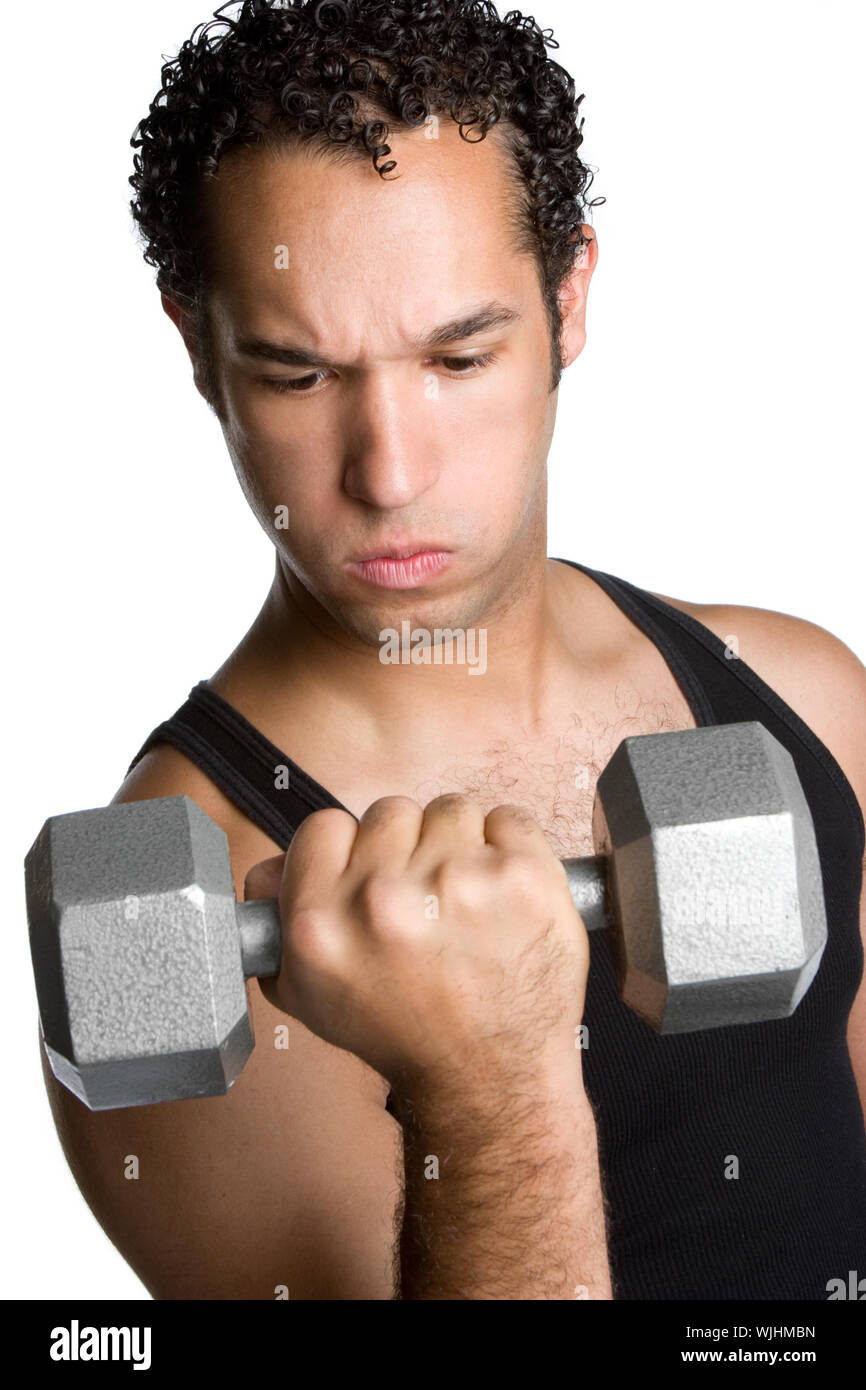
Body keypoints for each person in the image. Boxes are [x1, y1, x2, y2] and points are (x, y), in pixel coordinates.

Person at [41, 0, 866, 1300]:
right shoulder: (177, 917)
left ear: (569, 296)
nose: (389, 470)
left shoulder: (800, 697)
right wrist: (484, 1086)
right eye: (298, 375)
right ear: (198, 350)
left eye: (457, 355)